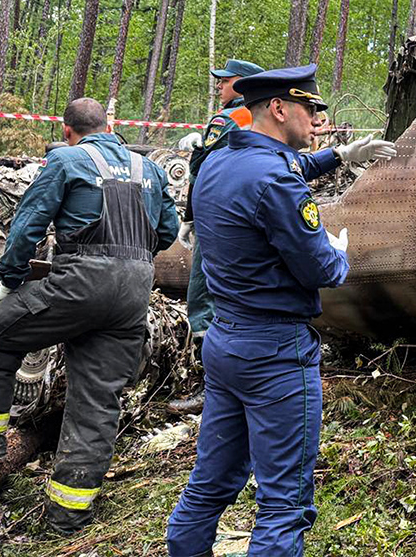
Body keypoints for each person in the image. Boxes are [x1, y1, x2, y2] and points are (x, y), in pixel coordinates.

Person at [165, 65, 395, 557]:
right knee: (284, 503)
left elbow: (279, 167)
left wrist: (339, 155)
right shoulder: (275, 181)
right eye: (310, 109)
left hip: (226, 341)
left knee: (210, 484)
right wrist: (338, 250)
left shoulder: (220, 163)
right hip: (274, 355)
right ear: (278, 108)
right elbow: (322, 270)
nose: (316, 119)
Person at [0, 98, 179, 534]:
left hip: (81, 282)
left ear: (68, 130)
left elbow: (29, 222)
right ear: (108, 128)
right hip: (135, 291)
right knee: (96, 399)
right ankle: (69, 518)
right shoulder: (147, 168)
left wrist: (12, 277)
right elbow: (167, 231)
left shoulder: (66, 159)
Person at [170, 58, 265, 415]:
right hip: (249, 220)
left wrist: (189, 219)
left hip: (218, 219)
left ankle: (212, 390)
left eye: (224, 82)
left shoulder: (227, 119)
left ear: (240, 85)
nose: (219, 86)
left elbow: (201, 171)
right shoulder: (265, 117)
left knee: (203, 301)